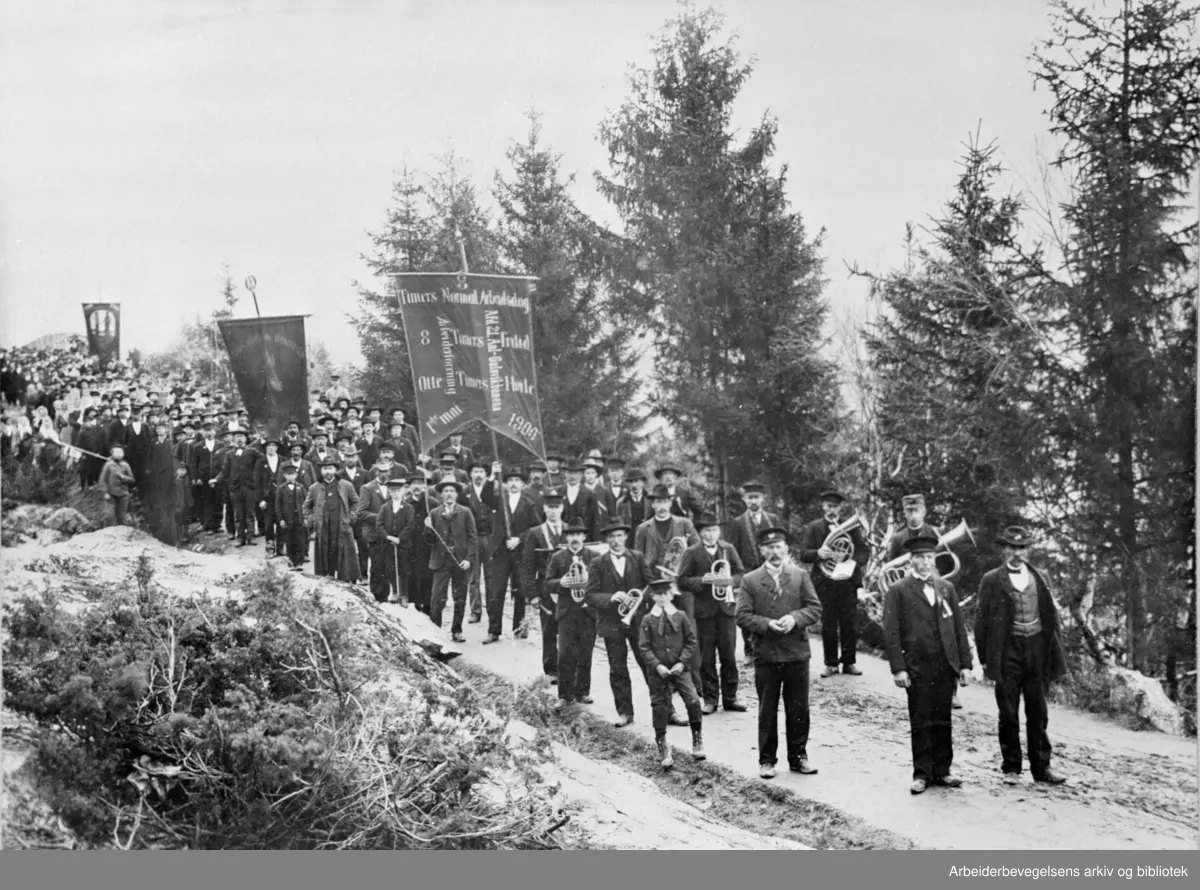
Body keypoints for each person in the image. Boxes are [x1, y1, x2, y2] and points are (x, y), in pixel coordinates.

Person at [974, 526, 1068, 787]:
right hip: (1007, 651)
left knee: (1038, 710)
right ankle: (1012, 767)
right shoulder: (992, 579)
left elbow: (1052, 617)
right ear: (1005, 550)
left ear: (1028, 550)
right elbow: (981, 622)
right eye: (1012, 548)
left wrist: (1053, 653)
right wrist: (985, 659)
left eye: (1022, 548)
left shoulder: (1041, 577)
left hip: (1037, 648)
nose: (1017, 553)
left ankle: (1042, 767)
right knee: (1008, 711)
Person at [882, 535, 973, 794]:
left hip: (944, 665)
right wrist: (898, 668)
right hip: (916, 666)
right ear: (911, 561)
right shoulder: (898, 590)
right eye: (920, 557)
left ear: (934, 559)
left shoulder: (946, 588)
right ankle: (922, 773)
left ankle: (943, 770)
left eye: (929, 557)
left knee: (943, 718)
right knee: (921, 718)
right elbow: (891, 633)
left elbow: (958, 629)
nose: (925, 562)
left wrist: (964, 665)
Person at [735, 526, 823, 779]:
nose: (774, 552)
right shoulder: (750, 580)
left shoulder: (799, 576)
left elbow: (815, 608)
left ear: (786, 549)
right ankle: (767, 760)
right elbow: (741, 614)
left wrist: (795, 619)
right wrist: (766, 625)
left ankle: (799, 757)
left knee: (798, 709)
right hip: (767, 653)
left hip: (796, 652)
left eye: (778, 547)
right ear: (761, 550)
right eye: (769, 547)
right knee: (767, 709)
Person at [585, 520, 653, 727]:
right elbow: (590, 595)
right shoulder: (598, 562)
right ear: (607, 540)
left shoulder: (638, 557)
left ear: (626, 537)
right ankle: (625, 712)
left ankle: (666, 710)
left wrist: (639, 599)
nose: (616, 540)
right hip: (612, 622)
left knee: (649, 664)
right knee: (618, 668)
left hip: (638, 621)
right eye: (612, 537)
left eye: (619, 536)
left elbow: (650, 585)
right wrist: (611, 597)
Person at [677, 514, 748, 714]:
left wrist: (730, 581)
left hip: (726, 608)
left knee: (729, 655)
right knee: (707, 657)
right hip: (705, 612)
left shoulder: (728, 549)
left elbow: (741, 573)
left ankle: (730, 698)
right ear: (700, 533)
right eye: (707, 530)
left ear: (719, 531)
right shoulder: (691, 552)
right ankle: (710, 700)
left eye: (715, 530)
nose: (711, 534)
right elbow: (681, 581)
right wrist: (703, 581)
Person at [799, 490, 870, 678]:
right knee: (828, 623)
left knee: (849, 623)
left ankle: (849, 662)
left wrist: (853, 561)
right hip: (825, 581)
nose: (832, 510)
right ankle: (830, 663)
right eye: (828, 506)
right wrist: (818, 554)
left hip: (847, 580)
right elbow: (804, 553)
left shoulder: (852, 527)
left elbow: (863, 550)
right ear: (823, 507)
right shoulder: (814, 527)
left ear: (841, 508)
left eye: (835, 506)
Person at [638, 577, 706, 770]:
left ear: (671, 595)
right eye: (657, 595)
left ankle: (697, 739)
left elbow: (691, 641)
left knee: (692, 700)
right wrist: (657, 665)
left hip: (679, 668)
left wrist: (682, 662)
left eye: (665, 594)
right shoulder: (647, 619)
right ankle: (662, 746)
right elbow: (644, 647)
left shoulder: (681, 616)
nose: (661, 598)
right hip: (658, 671)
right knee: (659, 706)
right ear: (652, 597)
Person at [482, 465, 542, 644]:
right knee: (496, 592)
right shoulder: (499, 499)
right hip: (500, 552)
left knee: (520, 592)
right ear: (506, 483)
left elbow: (535, 528)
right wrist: (493, 475)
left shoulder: (529, 503)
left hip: (520, 553)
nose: (514, 484)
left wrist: (519, 539)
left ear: (523, 484)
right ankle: (494, 631)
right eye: (510, 481)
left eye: (517, 481)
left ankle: (519, 628)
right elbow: (484, 496)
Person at [546, 518, 598, 708]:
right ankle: (564, 695)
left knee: (586, 651)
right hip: (567, 611)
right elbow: (546, 583)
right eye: (571, 535)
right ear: (566, 538)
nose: (575, 539)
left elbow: (601, 583)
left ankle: (582, 692)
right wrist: (561, 583)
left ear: (584, 536)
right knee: (565, 653)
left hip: (588, 612)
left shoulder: (594, 557)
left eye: (578, 535)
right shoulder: (557, 558)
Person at [727, 482, 781, 664]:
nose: (753, 500)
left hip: (771, 569)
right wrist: (738, 573)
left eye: (756, 497)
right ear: (744, 500)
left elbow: (781, 545)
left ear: (763, 499)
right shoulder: (738, 522)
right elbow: (733, 550)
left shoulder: (773, 519)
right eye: (750, 497)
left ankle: (772, 647)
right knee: (748, 609)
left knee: (772, 607)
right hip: (748, 572)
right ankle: (750, 651)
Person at [522, 490, 568, 684]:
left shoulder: (570, 530)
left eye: (557, 507)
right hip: (545, 589)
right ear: (544, 509)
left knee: (570, 630)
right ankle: (552, 670)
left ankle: (569, 668)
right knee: (549, 630)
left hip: (568, 588)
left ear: (562, 508)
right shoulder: (535, 532)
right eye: (550, 508)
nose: (553, 512)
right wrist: (532, 594)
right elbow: (528, 565)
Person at [425, 477, 477, 642]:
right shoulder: (434, 513)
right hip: (441, 561)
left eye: (452, 491)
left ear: (457, 494)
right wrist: (427, 528)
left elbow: (473, 538)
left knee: (460, 597)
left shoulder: (465, 512)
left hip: (460, 562)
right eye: (446, 491)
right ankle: (436, 632)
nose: (449, 494)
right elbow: (429, 541)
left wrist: (469, 559)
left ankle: (457, 630)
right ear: (441, 494)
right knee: (436, 598)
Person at [303, 458, 362, 582]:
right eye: (325, 468)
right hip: (324, 530)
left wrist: (351, 517)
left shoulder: (346, 485)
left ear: (335, 469)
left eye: (330, 468)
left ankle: (347, 584)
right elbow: (306, 506)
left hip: (342, 528)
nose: (327, 471)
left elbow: (356, 502)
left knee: (344, 562)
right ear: (321, 470)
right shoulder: (314, 488)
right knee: (326, 560)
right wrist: (311, 518)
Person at [214, 426, 260, 547]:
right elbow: (224, 471)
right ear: (234, 439)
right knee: (238, 514)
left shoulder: (253, 452)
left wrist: (256, 478)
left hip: (249, 486)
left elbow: (262, 462)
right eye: (237, 437)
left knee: (250, 513)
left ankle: (250, 536)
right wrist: (216, 479)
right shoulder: (229, 454)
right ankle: (240, 538)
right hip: (235, 488)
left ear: (246, 439)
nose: (239, 439)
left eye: (242, 437)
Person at [463, 459, 496, 624]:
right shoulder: (465, 492)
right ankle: (475, 611)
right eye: (475, 471)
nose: (478, 475)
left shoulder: (493, 490)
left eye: (481, 472)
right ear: (470, 474)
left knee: (491, 577)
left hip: (489, 538)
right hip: (473, 539)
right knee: (473, 578)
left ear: (486, 474)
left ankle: (492, 610)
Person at [374, 475, 415, 604]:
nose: (396, 494)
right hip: (388, 544)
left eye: (398, 491)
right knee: (391, 569)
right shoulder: (385, 507)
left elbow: (410, 524)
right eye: (393, 491)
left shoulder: (408, 507)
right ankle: (395, 592)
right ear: (390, 493)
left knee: (404, 569)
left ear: (403, 492)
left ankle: (404, 595)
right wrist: (387, 536)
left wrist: (400, 538)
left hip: (403, 545)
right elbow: (379, 524)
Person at [275, 463, 308, 570]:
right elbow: (278, 506)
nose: (290, 476)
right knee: (289, 540)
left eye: (292, 474)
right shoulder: (281, 489)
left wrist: (306, 517)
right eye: (288, 474)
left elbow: (306, 503)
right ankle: (291, 562)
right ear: (284, 475)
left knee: (300, 541)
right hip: (287, 519)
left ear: (296, 475)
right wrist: (280, 520)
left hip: (299, 519)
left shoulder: (301, 487)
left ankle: (299, 562)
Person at [254, 438, 283, 555]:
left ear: (277, 447)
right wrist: (260, 499)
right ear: (265, 448)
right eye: (268, 446)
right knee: (269, 523)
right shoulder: (260, 462)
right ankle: (270, 548)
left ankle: (281, 546)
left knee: (282, 522)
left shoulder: (283, 461)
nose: (271, 448)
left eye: (273, 445)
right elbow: (257, 482)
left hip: (281, 497)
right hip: (267, 498)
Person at [98, 443, 135, 527]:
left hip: (123, 495)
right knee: (109, 516)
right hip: (111, 495)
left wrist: (123, 477)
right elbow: (102, 480)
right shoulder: (108, 465)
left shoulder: (126, 466)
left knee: (122, 517)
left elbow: (132, 480)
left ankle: (121, 537)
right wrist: (105, 492)